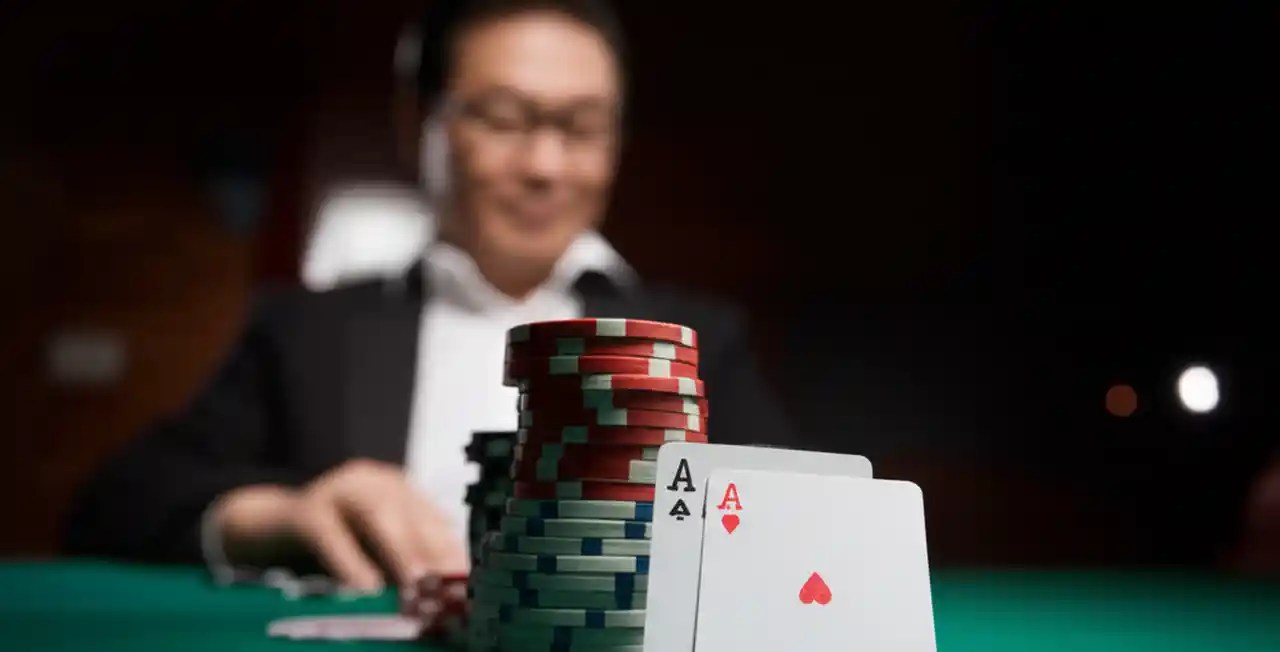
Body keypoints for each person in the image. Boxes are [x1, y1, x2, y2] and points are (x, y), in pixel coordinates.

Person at [63, 0, 793, 594]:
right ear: (422, 126)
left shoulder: (697, 338)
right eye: (505, 118)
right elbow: (113, 504)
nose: (545, 165)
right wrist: (279, 515)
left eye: (582, 127)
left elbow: (799, 529)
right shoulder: (307, 331)